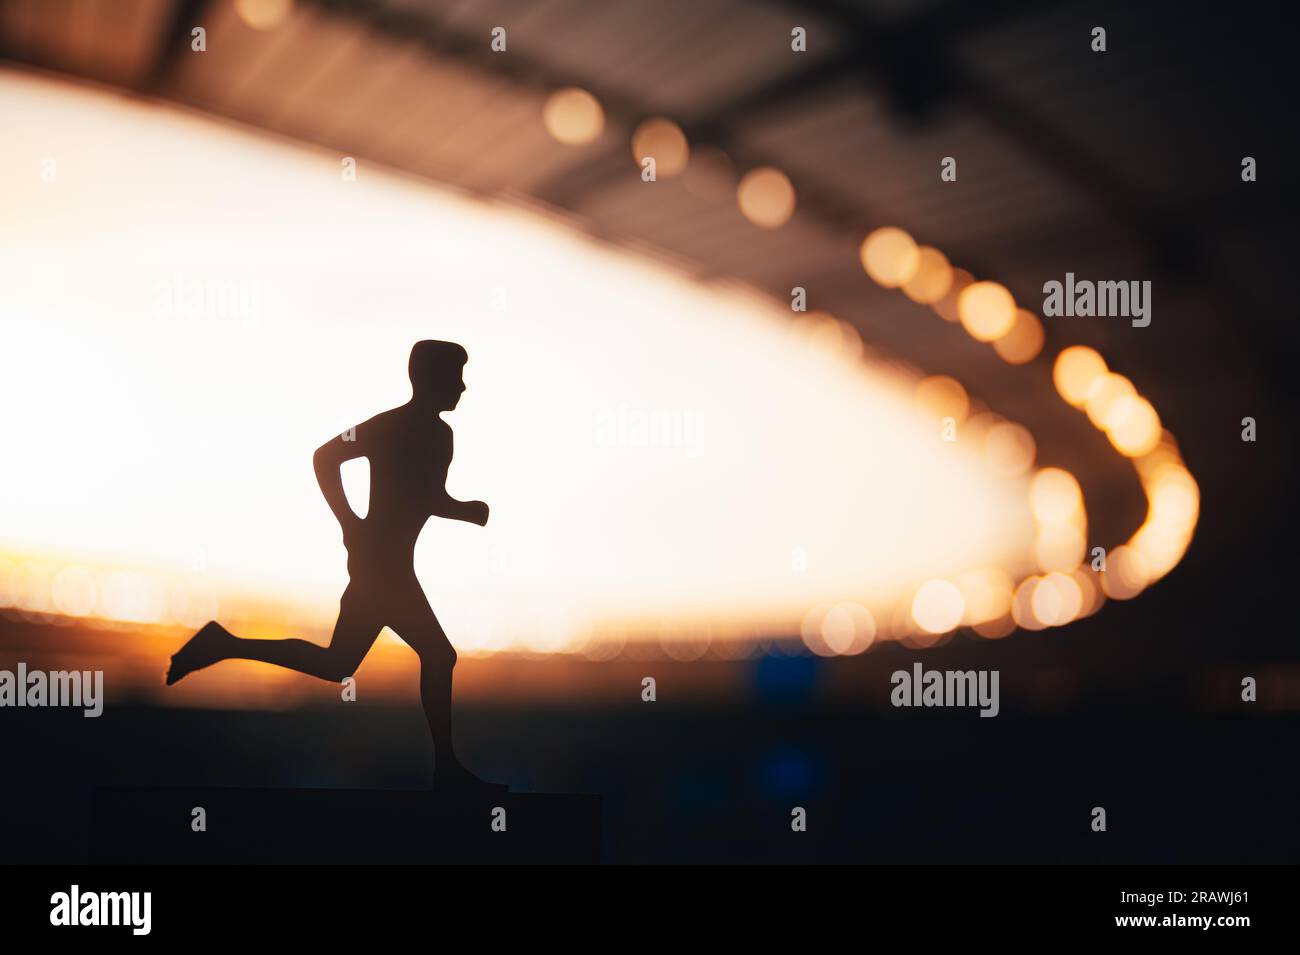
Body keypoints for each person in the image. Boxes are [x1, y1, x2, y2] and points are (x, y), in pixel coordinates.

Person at [167, 340, 500, 790]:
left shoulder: (441, 436)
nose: (462, 386)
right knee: (437, 655)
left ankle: (223, 644)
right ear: (428, 379)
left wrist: (462, 509)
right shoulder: (385, 427)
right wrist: (349, 522)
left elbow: (424, 496)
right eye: (455, 376)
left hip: (391, 566)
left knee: (338, 664)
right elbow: (326, 457)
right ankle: (446, 769)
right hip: (380, 567)